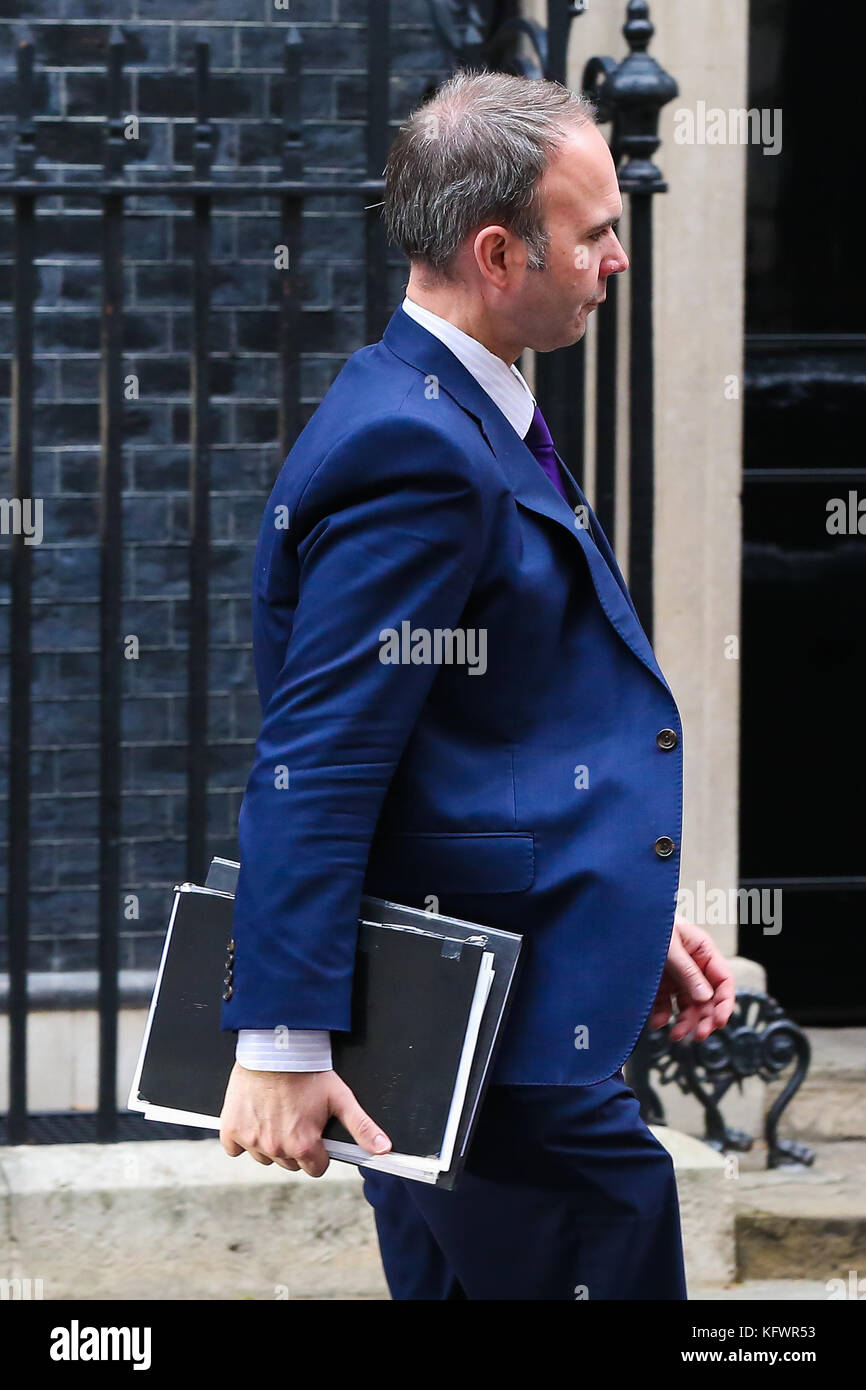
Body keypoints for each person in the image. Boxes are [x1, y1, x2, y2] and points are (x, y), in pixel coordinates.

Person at [218, 68, 735, 1300]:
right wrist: (282, 1040)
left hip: (499, 1009)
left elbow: (484, 741)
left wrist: (613, 917)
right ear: (499, 252)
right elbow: (322, 752)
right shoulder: (418, 450)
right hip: (487, 1049)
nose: (617, 255)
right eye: (596, 231)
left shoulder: (460, 411)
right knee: (616, 1213)